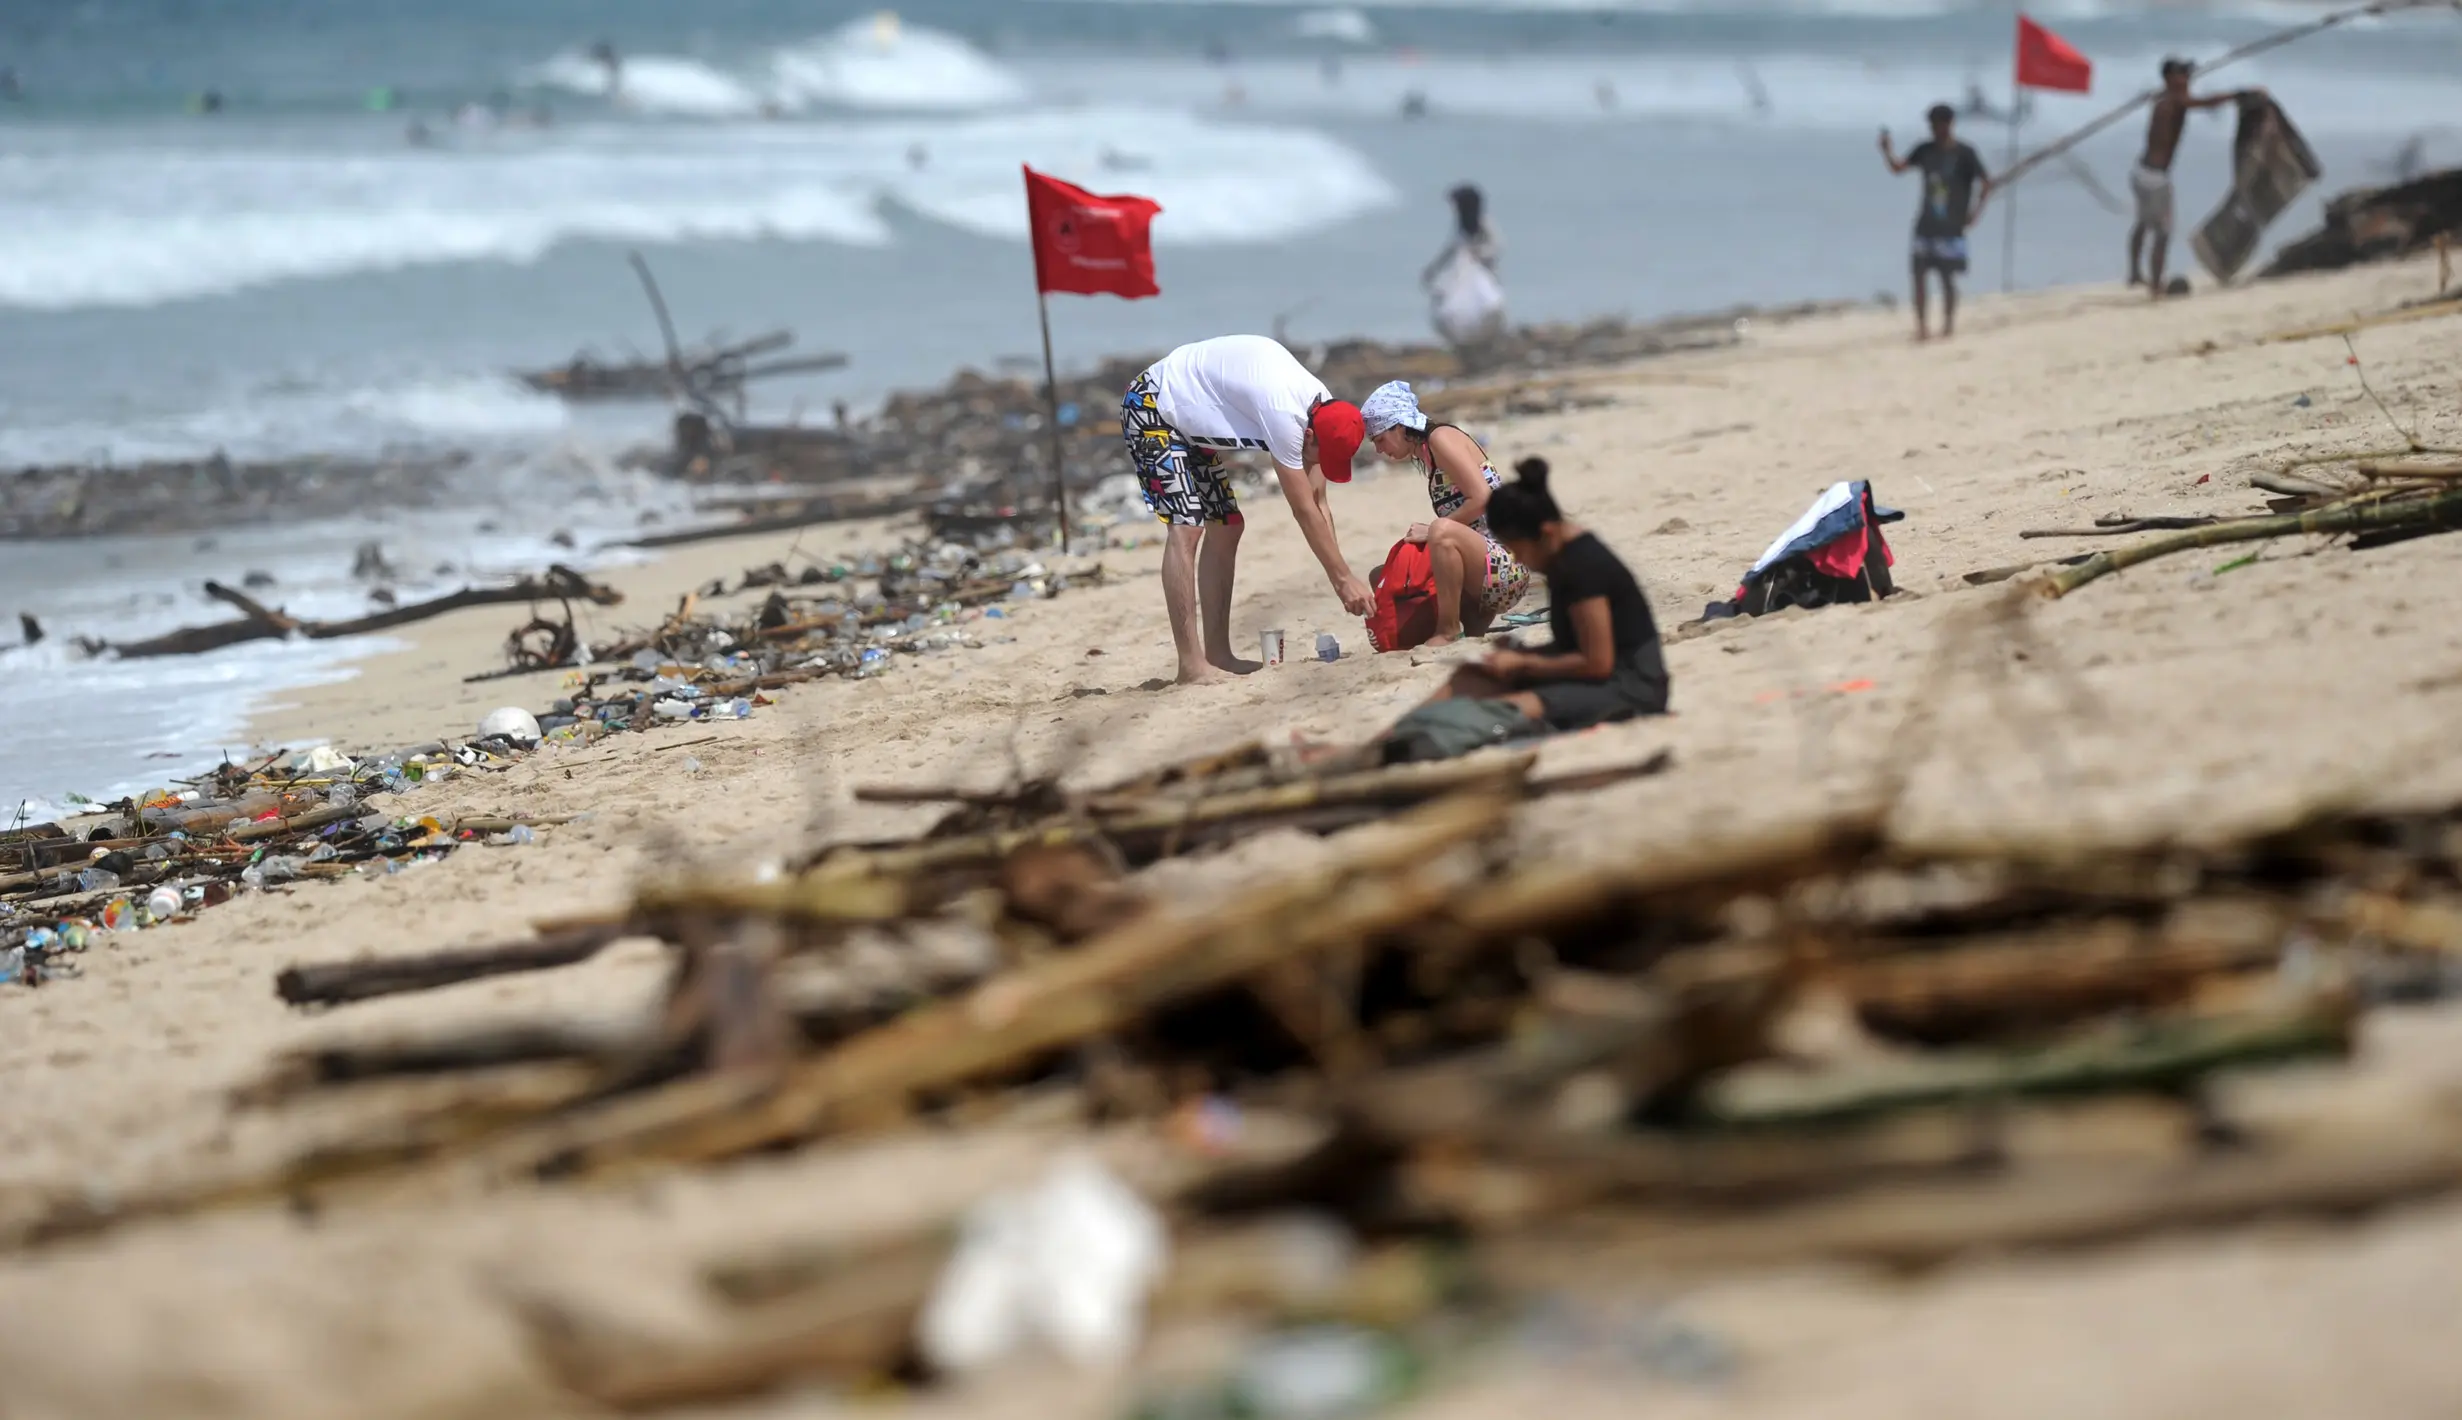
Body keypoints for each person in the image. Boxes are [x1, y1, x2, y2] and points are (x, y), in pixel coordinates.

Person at [1121, 335, 1371, 685]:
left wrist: (1343, 574)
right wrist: (1343, 579)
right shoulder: (1285, 415)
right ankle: (1190, 666)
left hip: (1191, 422)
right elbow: (1302, 510)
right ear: (1309, 436)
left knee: (1227, 525)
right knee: (1187, 527)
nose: (1316, 463)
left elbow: (1319, 501)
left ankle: (1218, 654)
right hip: (1153, 406)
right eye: (1319, 456)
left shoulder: (1325, 408)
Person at [1425, 458, 1669, 729]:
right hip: (1598, 675)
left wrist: (1523, 663)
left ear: (1545, 534)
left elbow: (1597, 663)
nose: (1521, 560)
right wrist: (1520, 654)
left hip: (1630, 687)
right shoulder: (1561, 558)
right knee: (1472, 676)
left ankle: (1414, 742)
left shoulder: (1582, 567)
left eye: (1518, 550)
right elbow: (1576, 647)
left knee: (1495, 711)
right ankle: (1389, 740)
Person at [1359, 381, 1529, 644]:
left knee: (1440, 530)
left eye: (1380, 439)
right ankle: (1423, 629)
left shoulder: (1441, 438)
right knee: (1382, 576)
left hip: (1506, 568)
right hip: (1480, 570)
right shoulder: (1427, 452)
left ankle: (1447, 630)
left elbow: (1483, 498)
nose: (1379, 450)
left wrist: (1433, 532)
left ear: (1401, 426)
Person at [2132, 59, 2260, 297]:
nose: (2187, 78)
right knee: (2162, 233)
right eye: (2182, 74)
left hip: (2141, 173)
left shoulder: (2164, 98)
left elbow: (2186, 97)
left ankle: (2134, 273)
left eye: (2188, 74)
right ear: (2170, 78)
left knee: (2143, 223)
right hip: (2155, 179)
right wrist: (2240, 94)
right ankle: (2156, 288)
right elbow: (2205, 102)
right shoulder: (2175, 101)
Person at [1879, 104, 1990, 341]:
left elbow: (1986, 183)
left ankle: (1948, 325)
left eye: (1937, 124)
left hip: (1952, 225)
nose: (1933, 129)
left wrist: (1975, 213)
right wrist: (1887, 152)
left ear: (1948, 124)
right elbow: (1899, 168)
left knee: (1947, 277)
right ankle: (1922, 327)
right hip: (1926, 223)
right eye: (1931, 125)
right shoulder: (1925, 150)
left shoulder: (1965, 154)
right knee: (1918, 274)